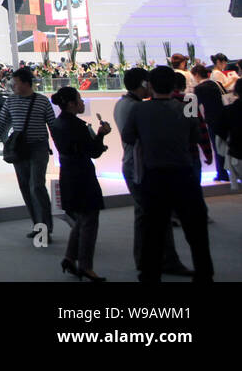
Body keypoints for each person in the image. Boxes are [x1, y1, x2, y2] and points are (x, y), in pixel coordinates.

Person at [120, 66, 213, 282]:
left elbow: (128, 137)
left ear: (150, 85)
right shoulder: (185, 108)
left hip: (154, 177)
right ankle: (204, 274)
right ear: (174, 85)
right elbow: (196, 135)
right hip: (184, 174)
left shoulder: (138, 110)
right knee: (196, 230)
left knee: (154, 231)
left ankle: (151, 274)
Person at [112, 67, 192, 277]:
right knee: (157, 215)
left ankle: (145, 260)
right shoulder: (137, 108)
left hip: (133, 164)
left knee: (145, 215)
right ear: (144, 84)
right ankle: (165, 260)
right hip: (140, 167)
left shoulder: (124, 104)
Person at [0, 66, 57, 242]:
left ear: (26, 83)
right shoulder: (11, 101)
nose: (13, 86)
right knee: (25, 187)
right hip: (19, 149)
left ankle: (45, 227)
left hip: (38, 147)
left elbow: (53, 124)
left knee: (36, 186)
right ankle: (37, 225)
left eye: (15, 83)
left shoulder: (42, 101)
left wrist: (61, 145)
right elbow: (1, 122)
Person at [49, 86, 110, 281]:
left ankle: (69, 257)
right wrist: (101, 135)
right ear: (71, 104)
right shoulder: (78, 127)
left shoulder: (57, 124)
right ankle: (85, 265)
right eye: (79, 99)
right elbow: (94, 151)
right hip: (83, 175)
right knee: (90, 220)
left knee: (81, 220)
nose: (82, 103)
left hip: (68, 174)